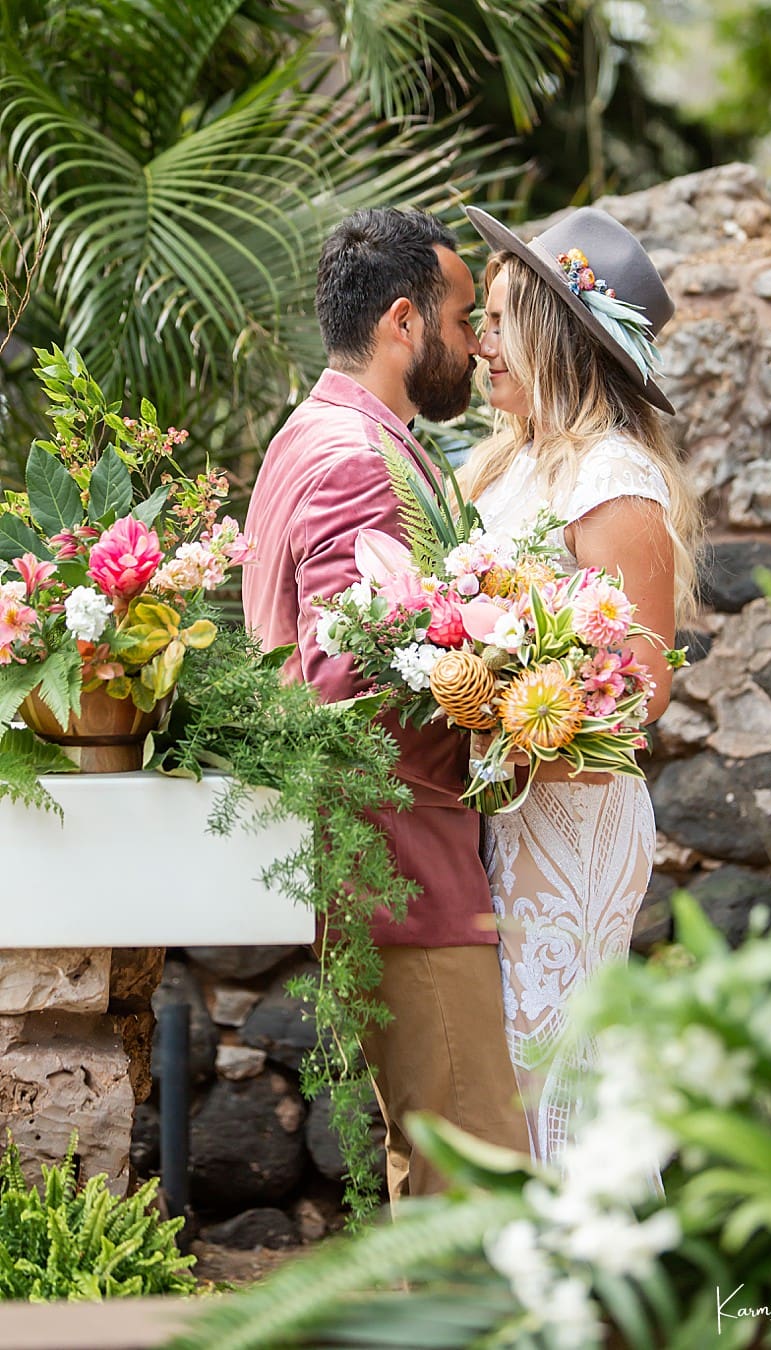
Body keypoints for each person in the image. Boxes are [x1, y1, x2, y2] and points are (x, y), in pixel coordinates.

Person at [242, 207, 530, 1204]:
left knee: (430, 1180)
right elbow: (345, 682)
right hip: (406, 860)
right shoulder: (357, 461)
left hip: (389, 861)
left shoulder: (321, 433)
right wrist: (501, 695)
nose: (475, 344)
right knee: (476, 1187)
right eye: (461, 319)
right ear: (404, 323)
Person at [460, 204, 702, 1166]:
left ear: (555, 337)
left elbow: (642, 684)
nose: (481, 345)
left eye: (500, 321)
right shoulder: (502, 464)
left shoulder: (611, 479)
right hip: (504, 807)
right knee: (504, 1068)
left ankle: (592, 1290)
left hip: (573, 820)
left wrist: (520, 698)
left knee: (551, 1065)